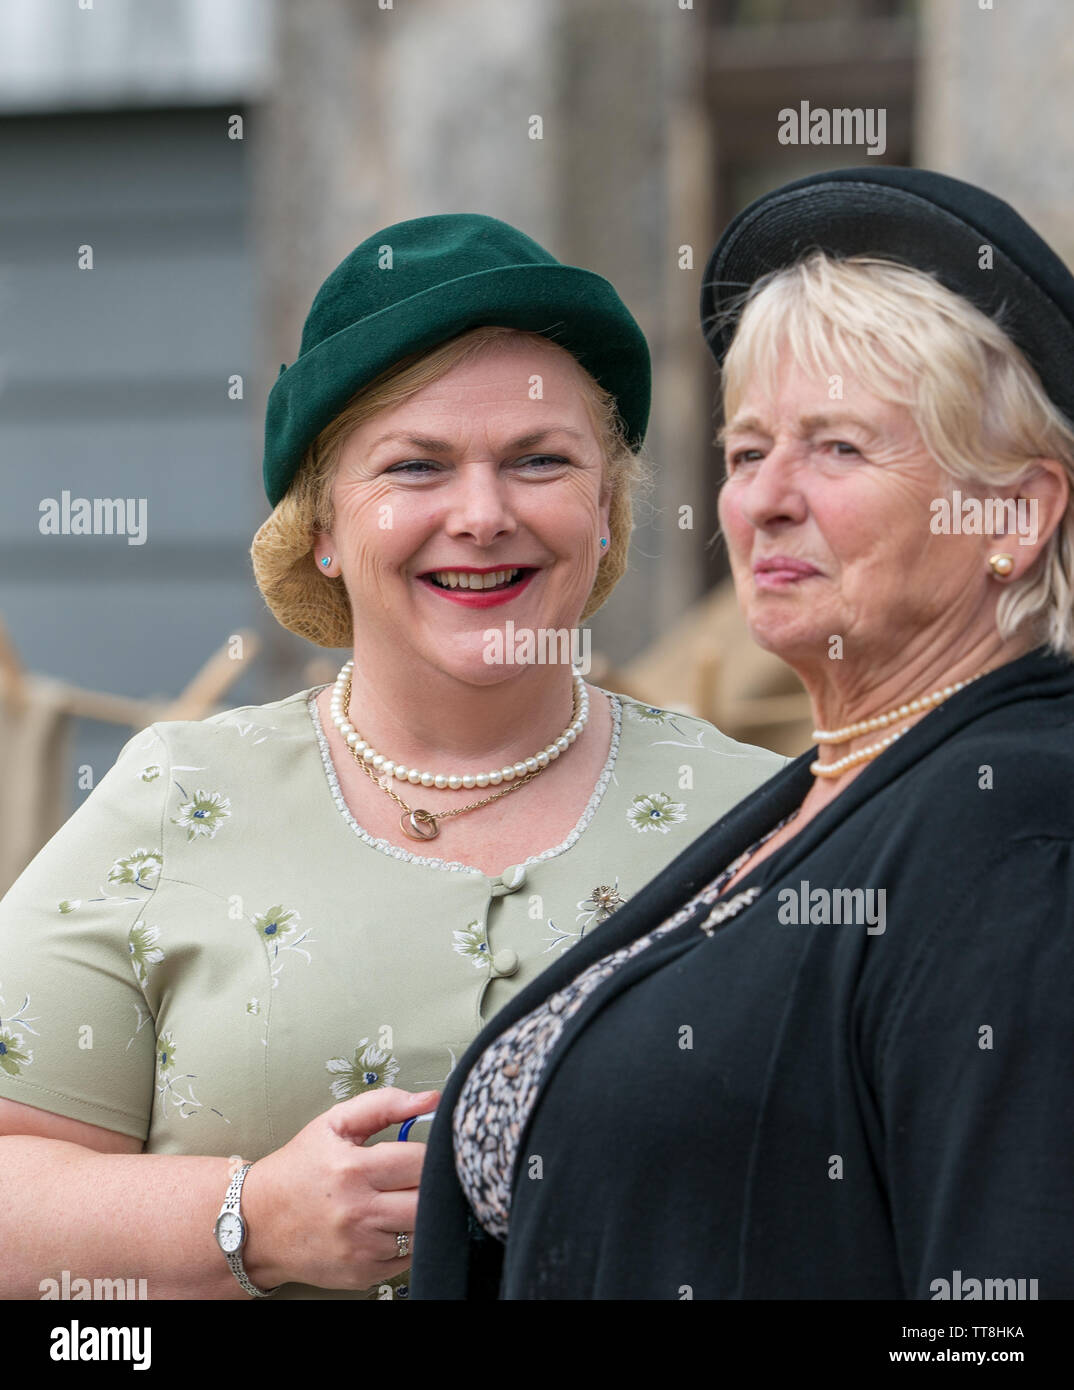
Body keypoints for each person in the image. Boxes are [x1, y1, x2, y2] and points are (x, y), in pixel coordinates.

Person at [0, 213, 783, 1300]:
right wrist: (247, 1219)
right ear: (321, 524)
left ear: (604, 509)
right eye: (414, 466)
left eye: (539, 461)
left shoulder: (762, 819)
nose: (481, 513)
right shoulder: (176, 800)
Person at [410, 168, 1074, 1300]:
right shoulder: (822, 795)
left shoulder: (1013, 822)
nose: (765, 498)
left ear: (1012, 514)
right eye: (746, 450)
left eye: (839, 449)